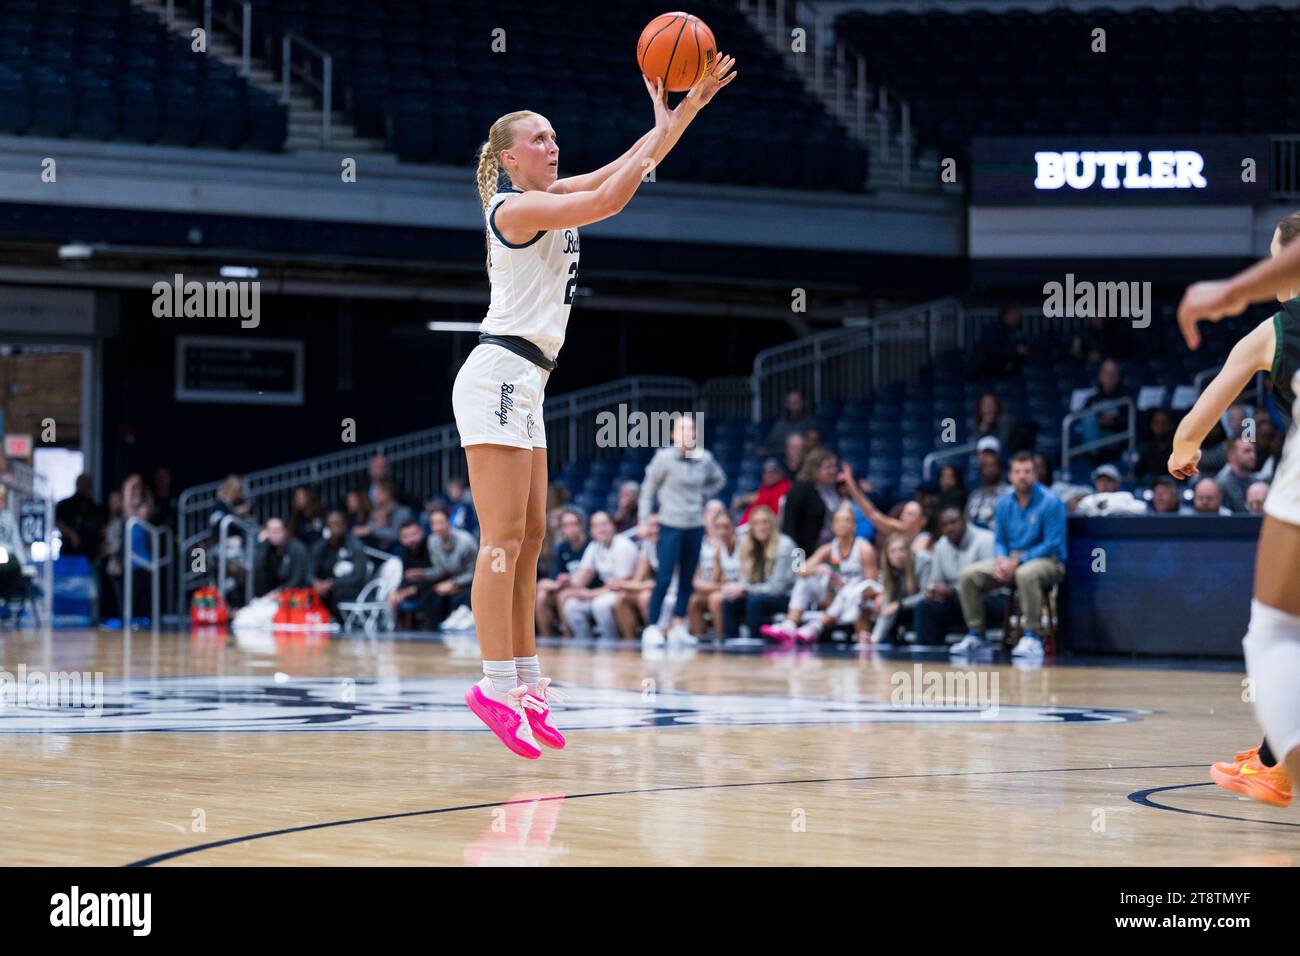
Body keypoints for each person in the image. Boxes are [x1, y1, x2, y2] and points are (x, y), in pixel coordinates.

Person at [451, 58, 736, 758]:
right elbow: (612, 199)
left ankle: (525, 683)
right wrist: (658, 132)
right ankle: (493, 686)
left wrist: (681, 113)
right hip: (499, 375)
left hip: (529, 381)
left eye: (554, 138)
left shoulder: (551, 191)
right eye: (540, 140)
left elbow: (628, 164)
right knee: (499, 544)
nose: (553, 146)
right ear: (510, 157)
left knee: (529, 544)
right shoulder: (514, 207)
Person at [1172, 208, 1300, 804]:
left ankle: (1279, 763)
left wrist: (1182, 449)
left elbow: (1204, 414)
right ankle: (1276, 751)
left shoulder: (1277, 330)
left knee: (1275, 633)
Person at [951, 451, 1067, 661]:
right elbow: (1000, 540)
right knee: (968, 575)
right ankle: (977, 634)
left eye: (1027, 471)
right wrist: (1003, 560)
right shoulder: (1004, 502)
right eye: (1017, 472)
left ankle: (1032, 637)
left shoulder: (1051, 502)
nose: (1022, 476)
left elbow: (1053, 543)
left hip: (1049, 561)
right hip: (1012, 559)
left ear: (1035, 474)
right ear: (1011, 476)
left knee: (1025, 574)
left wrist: (1018, 562)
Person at [637, 415, 726, 647]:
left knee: (687, 579)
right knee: (664, 578)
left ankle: (678, 626)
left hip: (695, 523)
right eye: (682, 429)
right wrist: (645, 521)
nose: (687, 433)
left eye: (691, 429)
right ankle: (653, 626)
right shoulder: (663, 458)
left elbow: (719, 480)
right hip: (670, 523)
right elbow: (647, 490)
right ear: (673, 434)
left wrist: (701, 494)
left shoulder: (704, 458)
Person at [761, 504, 878, 644]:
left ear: (854, 525)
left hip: (856, 601)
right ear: (833, 526)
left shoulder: (864, 549)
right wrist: (820, 569)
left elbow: (872, 585)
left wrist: (849, 588)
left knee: (847, 592)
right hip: (832, 597)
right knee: (805, 580)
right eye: (839, 520)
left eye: (847, 520)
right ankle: (790, 625)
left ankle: (815, 627)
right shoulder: (828, 549)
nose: (843, 524)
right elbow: (799, 570)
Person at [914, 508, 996, 646]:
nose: (949, 528)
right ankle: (929, 657)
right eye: (944, 525)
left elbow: (991, 582)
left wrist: (952, 591)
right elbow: (936, 580)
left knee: (969, 599)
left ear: (964, 521)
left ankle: (978, 638)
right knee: (926, 606)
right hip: (957, 601)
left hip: (989, 599)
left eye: (953, 522)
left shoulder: (986, 540)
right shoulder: (941, 545)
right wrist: (934, 591)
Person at [718, 505, 797, 640]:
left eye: (765, 522)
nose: (761, 527)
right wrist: (737, 589)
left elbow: (777, 588)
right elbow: (745, 578)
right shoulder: (750, 545)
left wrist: (745, 589)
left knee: (755, 601)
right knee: (730, 601)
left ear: (772, 524)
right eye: (756, 523)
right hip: (761, 595)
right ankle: (731, 643)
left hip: (787, 598)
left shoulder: (785, 545)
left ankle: (755, 642)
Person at [561, 511, 640, 643]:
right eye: (596, 526)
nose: (601, 529)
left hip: (625, 592)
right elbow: (582, 577)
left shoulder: (623, 546)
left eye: (604, 524)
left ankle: (610, 642)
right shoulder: (594, 546)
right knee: (571, 605)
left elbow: (621, 584)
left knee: (600, 605)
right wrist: (569, 582)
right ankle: (585, 643)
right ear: (591, 531)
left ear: (612, 526)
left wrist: (590, 594)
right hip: (606, 592)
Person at [869, 533, 932, 644]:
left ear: (909, 551)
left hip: (927, 607)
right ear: (887, 555)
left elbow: (927, 595)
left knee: (922, 607)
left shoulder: (924, 561)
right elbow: (886, 608)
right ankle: (886, 653)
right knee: (887, 614)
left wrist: (899, 604)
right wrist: (874, 638)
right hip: (904, 609)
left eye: (901, 550)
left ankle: (920, 653)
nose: (898, 555)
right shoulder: (887, 573)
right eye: (892, 551)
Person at [535, 508, 587, 637]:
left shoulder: (590, 545)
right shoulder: (562, 548)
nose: (571, 529)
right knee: (541, 596)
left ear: (581, 525)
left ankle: (567, 636)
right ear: (562, 529)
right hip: (567, 588)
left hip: (587, 588)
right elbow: (555, 577)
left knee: (562, 596)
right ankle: (547, 637)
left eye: (574, 524)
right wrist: (559, 582)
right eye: (567, 525)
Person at [309, 510, 369, 621]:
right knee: (308, 589)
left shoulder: (355, 546)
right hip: (324, 587)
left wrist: (332, 584)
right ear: (327, 526)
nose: (335, 527)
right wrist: (315, 582)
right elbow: (309, 570)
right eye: (331, 524)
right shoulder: (320, 547)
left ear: (345, 525)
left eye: (338, 523)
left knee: (340, 591)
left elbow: (359, 576)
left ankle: (339, 622)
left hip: (348, 588)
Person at [422, 508, 477, 628]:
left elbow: (474, 572)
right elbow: (439, 570)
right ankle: (432, 628)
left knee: (459, 596)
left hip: (470, 581)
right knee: (428, 593)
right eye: (434, 524)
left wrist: (453, 583)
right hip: (449, 578)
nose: (438, 527)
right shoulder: (432, 541)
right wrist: (422, 573)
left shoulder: (466, 541)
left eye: (441, 522)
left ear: (449, 522)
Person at [780, 448, 840, 555]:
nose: (833, 471)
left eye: (834, 466)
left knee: (832, 572)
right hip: (807, 555)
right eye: (828, 467)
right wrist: (798, 565)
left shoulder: (833, 490)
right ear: (814, 468)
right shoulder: (799, 491)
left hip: (832, 553)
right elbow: (790, 529)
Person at [692, 508, 740, 638]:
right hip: (726, 589)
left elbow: (746, 578)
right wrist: (718, 586)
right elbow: (714, 580)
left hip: (742, 590)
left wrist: (724, 586)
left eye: (726, 527)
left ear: (734, 527)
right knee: (694, 601)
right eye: (718, 527)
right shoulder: (719, 550)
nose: (721, 532)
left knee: (715, 599)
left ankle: (720, 639)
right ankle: (700, 641)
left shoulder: (744, 546)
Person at [253, 517, 310, 597]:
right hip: (276, 594)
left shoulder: (296, 548)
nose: (275, 533)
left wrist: (279, 591)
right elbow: (259, 570)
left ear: (284, 531)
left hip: (297, 594)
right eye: (271, 531)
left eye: (277, 530)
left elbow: (297, 578)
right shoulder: (268, 549)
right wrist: (261, 545)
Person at [55, 474, 105, 560]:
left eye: (87, 483)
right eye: (82, 483)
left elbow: (101, 528)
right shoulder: (66, 505)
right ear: (77, 484)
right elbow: (56, 521)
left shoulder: (94, 507)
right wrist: (71, 534)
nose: (84, 486)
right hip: (69, 552)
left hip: (90, 553)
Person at [964, 437, 1010, 529]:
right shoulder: (974, 495)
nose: (989, 470)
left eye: (993, 466)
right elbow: (966, 521)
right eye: (985, 467)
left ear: (1000, 470)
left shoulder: (1009, 492)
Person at [734, 458, 790, 526]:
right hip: (749, 527)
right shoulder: (765, 488)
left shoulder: (785, 489)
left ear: (781, 474)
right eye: (766, 472)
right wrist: (743, 500)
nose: (768, 476)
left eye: (772, 472)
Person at [763, 389, 816, 456]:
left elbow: (813, 447)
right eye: (790, 402)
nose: (793, 405)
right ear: (786, 404)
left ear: (804, 403)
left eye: (796, 402)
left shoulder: (812, 424)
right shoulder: (780, 423)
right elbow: (770, 444)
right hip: (780, 459)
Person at [1214, 438, 1257, 513]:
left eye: (1253, 451)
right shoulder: (1220, 484)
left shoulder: (1257, 482)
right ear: (1231, 456)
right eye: (1247, 451)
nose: (1253, 456)